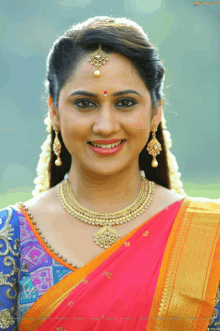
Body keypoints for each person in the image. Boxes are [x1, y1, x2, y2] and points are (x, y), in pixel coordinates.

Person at [0, 16, 219, 331]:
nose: (105, 125)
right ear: (54, 111)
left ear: (156, 111)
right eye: (85, 103)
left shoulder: (209, 235)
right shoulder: (10, 237)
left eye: (125, 103)